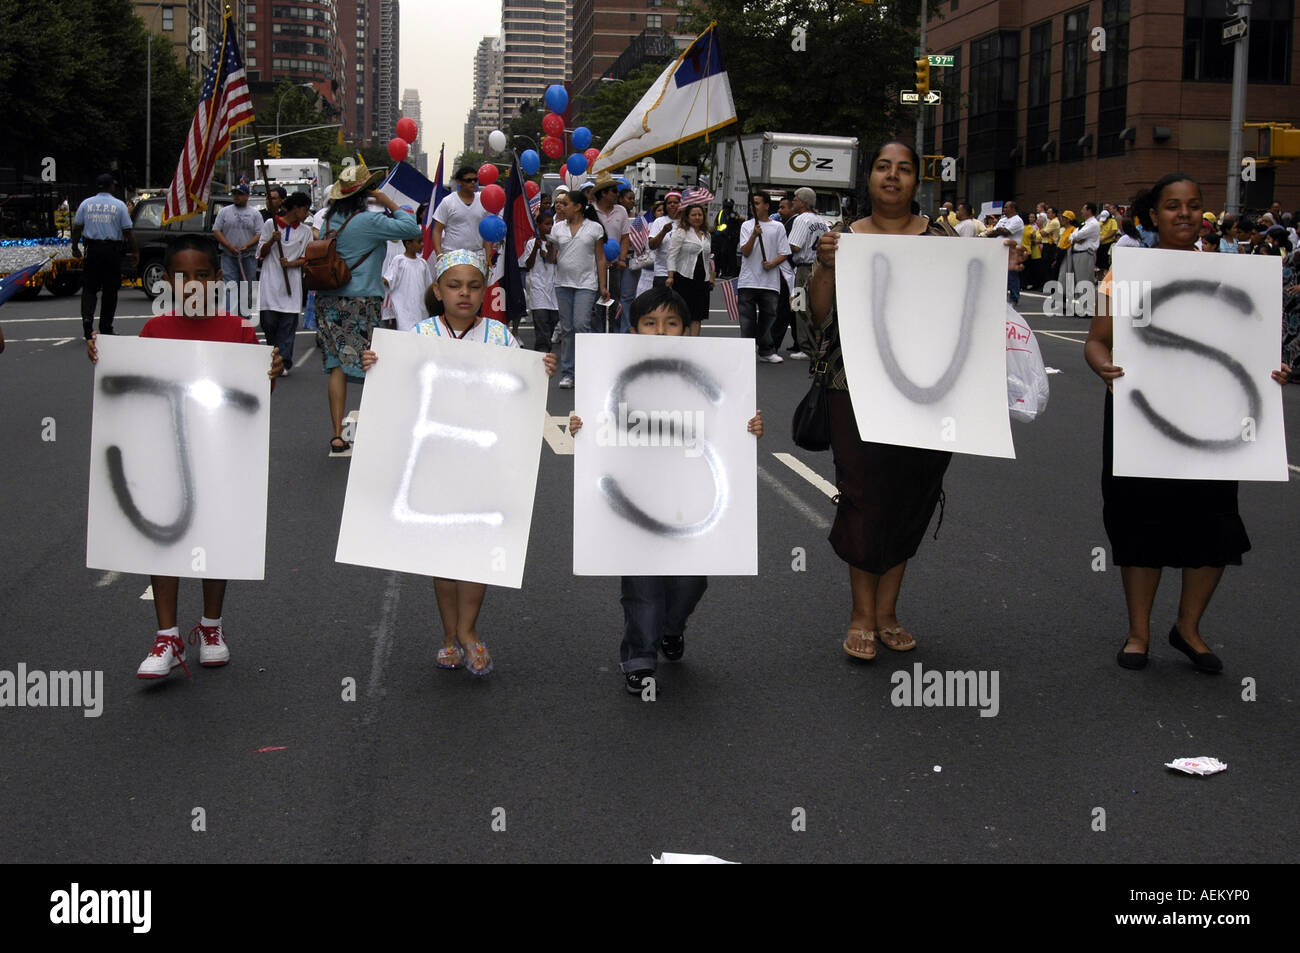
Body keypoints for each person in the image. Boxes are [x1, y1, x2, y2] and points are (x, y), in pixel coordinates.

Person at [807, 140, 1023, 661]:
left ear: (916, 183)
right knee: (864, 497)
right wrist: (825, 266)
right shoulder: (842, 241)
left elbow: (972, 306)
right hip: (853, 389)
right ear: (869, 178)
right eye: (883, 167)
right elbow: (818, 316)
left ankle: (888, 612)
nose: (893, 176)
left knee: (912, 495)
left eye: (904, 170)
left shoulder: (943, 238)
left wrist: (998, 266)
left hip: (932, 394)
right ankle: (861, 614)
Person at [1087, 173, 1291, 672]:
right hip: (1143, 420)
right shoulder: (1126, 272)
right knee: (1140, 521)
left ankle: (1188, 629)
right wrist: (1102, 365)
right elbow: (1097, 341)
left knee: (1211, 522)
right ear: (1153, 215)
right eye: (1172, 206)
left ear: (1205, 214)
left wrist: (1274, 373)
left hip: (1213, 423)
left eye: (1193, 205)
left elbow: (1254, 351)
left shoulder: (1236, 273)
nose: (1184, 213)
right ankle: (1139, 634)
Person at [86, 235, 282, 678]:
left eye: (201, 275)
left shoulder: (238, 329)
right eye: (180, 276)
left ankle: (211, 627)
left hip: (221, 455)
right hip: (164, 454)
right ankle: (167, 636)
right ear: (165, 283)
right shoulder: (156, 331)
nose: (191, 284)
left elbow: (255, 395)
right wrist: (104, 357)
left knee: (216, 539)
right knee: (163, 543)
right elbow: (132, 383)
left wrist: (271, 370)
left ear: (217, 278)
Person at [360, 249, 558, 676]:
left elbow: (519, 389)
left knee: (475, 553)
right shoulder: (421, 333)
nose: (464, 294)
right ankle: (449, 636)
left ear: (485, 291)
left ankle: (468, 632)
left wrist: (540, 369)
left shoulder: (501, 337)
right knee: (442, 556)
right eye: (454, 285)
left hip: (483, 462)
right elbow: (401, 388)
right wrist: (377, 365)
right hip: (434, 461)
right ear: (438, 290)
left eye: (473, 286)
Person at [567, 285, 763, 694]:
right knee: (642, 586)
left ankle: (672, 627)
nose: (660, 331)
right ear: (633, 328)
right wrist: (580, 427)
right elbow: (598, 423)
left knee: (691, 580)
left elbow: (727, 423)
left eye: (671, 323)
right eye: (650, 323)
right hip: (634, 504)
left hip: (689, 501)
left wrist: (748, 426)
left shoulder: (709, 371)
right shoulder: (611, 371)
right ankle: (640, 655)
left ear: (688, 329)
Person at [315, 163, 422, 454]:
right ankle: (382, 427)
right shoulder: (368, 221)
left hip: (326, 299)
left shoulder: (327, 220)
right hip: (359, 301)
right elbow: (411, 229)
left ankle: (337, 433)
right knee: (371, 363)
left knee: (337, 365)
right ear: (364, 194)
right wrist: (387, 201)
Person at [551, 189, 609, 389]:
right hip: (562, 283)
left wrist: (603, 285)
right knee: (567, 329)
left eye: (565, 204)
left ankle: (585, 369)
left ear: (578, 207)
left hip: (586, 283)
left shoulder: (594, 228)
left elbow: (600, 258)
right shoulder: (558, 228)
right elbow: (553, 256)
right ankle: (568, 373)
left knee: (581, 325)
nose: (562, 207)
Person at [71, 173, 138, 340]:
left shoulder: (86, 204)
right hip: (111, 252)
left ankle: (87, 325)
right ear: (111, 187)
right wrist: (135, 251)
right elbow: (128, 231)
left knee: (89, 289)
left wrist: (74, 246)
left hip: (92, 250)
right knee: (110, 290)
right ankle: (106, 327)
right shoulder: (119, 205)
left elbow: (77, 227)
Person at [255, 190, 312, 375]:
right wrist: (272, 240)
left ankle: (285, 362)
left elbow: (307, 259)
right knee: (269, 323)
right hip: (271, 283)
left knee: (287, 326)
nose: (306, 214)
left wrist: (292, 263)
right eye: (305, 210)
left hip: (292, 285)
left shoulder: (306, 231)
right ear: (295, 208)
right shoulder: (270, 225)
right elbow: (260, 255)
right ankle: (271, 357)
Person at [737, 191, 791, 363]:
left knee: (769, 317)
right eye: (753, 203)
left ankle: (766, 350)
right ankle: (747, 349)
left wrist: (772, 263)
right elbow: (745, 252)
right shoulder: (747, 225)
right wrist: (754, 235)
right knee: (747, 318)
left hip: (770, 281)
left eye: (758, 203)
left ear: (767, 206)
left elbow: (784, 252)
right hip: (748, 279)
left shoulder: (778, 227)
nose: (755, 207)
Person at [786, 187, 827, 360]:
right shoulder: (821, 221)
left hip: (803, 268)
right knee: (817, 308)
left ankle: (805, 346)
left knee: (800, 305)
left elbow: (794, 245)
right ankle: (816, 344)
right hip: (819, 267)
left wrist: (780, 246)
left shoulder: (801, 219)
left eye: (795, 199)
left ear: (802, 202)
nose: (792, 202)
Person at [212, 184, 263, 321]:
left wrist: (248, 245)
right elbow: (216, 230)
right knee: (230, 286)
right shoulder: (225, 211)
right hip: (229, 256)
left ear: (247, 196)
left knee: (247, 286)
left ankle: (244, 317)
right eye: (235, 194)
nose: (237, 197)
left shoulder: (254, 213)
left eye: (240, 194)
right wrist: (228, 245)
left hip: (248, 257)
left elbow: (260, 233)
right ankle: (230, 318)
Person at [665, 202, 714, 335]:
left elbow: (708, 258)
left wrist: (711, 276)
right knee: (683, 315)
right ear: (687, 217)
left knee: (697, 316)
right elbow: (671, 256)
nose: (697, 217)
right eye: (693, 215)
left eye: (699, 214)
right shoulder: (681, 232)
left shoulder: (706, 235)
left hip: (701, 279)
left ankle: (694, 344)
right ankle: (683, 345)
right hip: (683, 278)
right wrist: (670, 276)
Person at [591, 172, 630, 332]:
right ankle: (596, 335)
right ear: (603, 193)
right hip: (594, 266)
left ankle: (612, 334)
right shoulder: (590, 211)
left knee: (614, 303)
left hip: (614, 266)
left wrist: (622, 259)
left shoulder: (621, 211)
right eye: (614, 191)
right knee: (595, 304)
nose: (617, 194)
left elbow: (625, 237)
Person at [520, 210, 559, 351]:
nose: (549, 227)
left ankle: (545, 346)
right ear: (538, 225)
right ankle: (543, 351)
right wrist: (535, 249)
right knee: (541, 321)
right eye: (546, 224)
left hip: (553, 288)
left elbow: (555, 261)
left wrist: (549, 251)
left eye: (551, 224)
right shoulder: (532, 243)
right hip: (538, 288)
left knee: (553, 319)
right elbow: (528, 265)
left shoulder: (555, 242)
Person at [381, 235, 433, 332]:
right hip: (404, 308)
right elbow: (389, 279)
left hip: (421, 309)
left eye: (422, 241)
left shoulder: (423, 263)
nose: (422, 245)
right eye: (419, 242)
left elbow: (428, 286)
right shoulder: (399, 260)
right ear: (408, 244)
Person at [431, 166, 486, 256]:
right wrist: (439, 254)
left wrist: (488, 258)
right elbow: (437, 230)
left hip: (477, 254)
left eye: (475, 180)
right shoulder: (448, 201)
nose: (473, 183)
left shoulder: (483, 200)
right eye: (468, 180)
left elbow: (487, 231)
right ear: (459, 182)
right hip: (452, 254)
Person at [986, 200, 1025, 304]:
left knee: (1011, 275)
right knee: (1000, 274)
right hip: (1000, 250)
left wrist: (998, 230)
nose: (1004, 209)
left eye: (1006, 207)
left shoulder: (1017, 220)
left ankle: (1014, 297)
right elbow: (993, 232)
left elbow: (1007, 231)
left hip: (1012, 251)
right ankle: (1000, 297)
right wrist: (998, 230)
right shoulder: (1003, 219)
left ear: (1013, 209)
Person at [648, 191, 681, 287]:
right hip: (662, 272)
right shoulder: (659, 221)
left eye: (675, 202)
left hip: (681, 272)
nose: (672, 205)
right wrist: (664, 231)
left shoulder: (685, 222)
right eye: (669, 203)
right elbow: (652, 245)